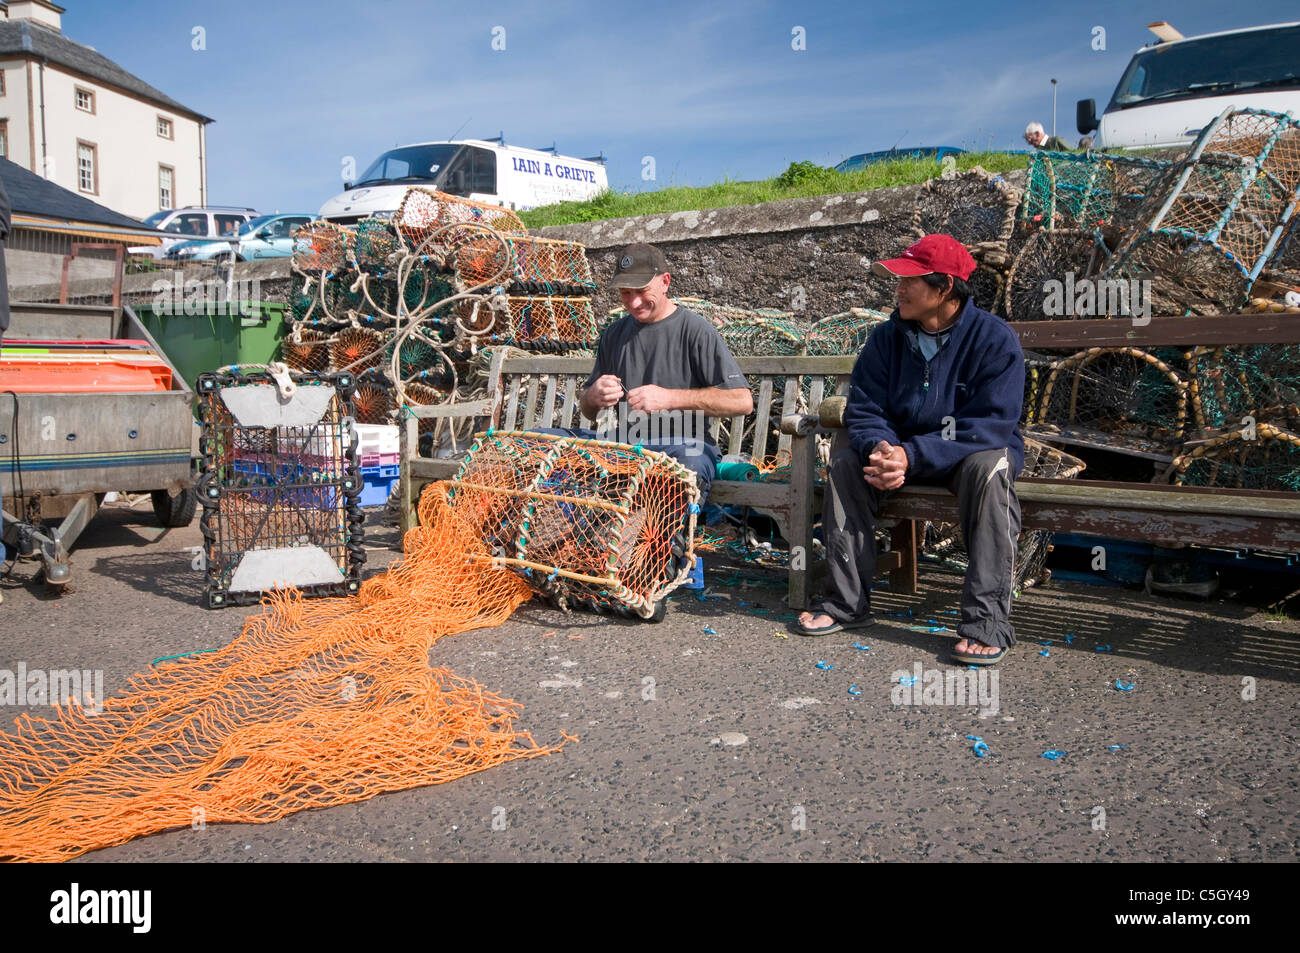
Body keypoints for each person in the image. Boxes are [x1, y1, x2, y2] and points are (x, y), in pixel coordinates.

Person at [795, 234, 1025, 666]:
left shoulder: (994, 340)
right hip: (901, 453)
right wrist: (882, 448)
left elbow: (989, 425)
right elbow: (864, 407)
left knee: (990, 469)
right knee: (846, 462)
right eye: (898, 280)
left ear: (945, 290)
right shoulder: (887, 338)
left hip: (967, 455)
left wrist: (913, 456)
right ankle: (846, 604)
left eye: (910, 281)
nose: (898, 289)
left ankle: (987, 622)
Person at [538, 242, 752, 501]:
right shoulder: (614, 334)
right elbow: (587, 410)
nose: (634, 302)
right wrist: (593, 396)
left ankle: (658, 538)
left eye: (641, 291)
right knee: (541, 439)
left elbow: (742, 401)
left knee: (687, 462)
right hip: (625, 444)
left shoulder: (696, 330)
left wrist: (669, 399)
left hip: (684, 445)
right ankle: (541, 530)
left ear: (665, 282)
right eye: (625, 293)